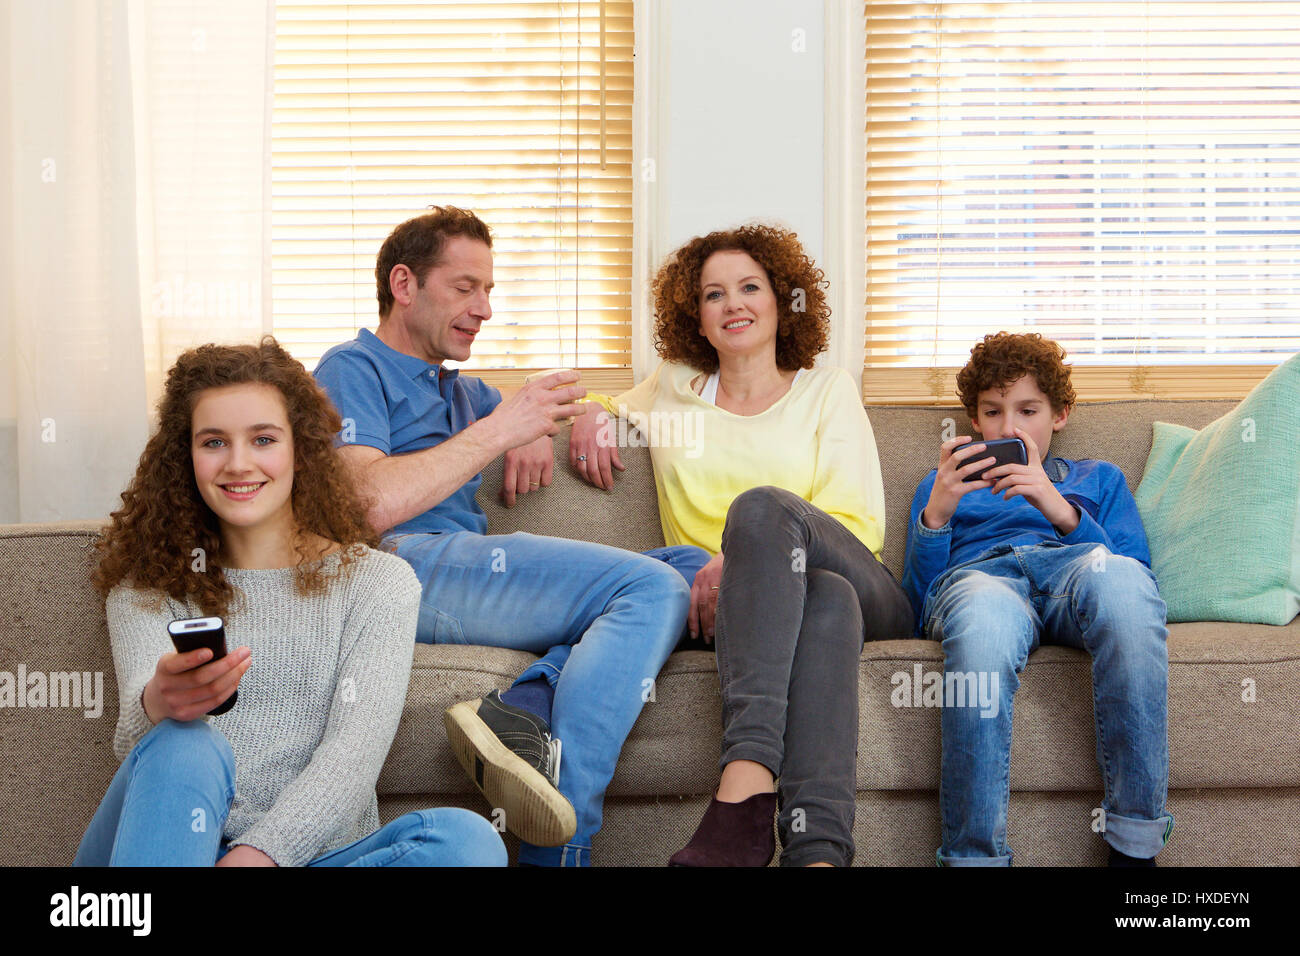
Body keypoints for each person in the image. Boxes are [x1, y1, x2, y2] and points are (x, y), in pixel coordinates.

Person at [313, 206, 695, 867]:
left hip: (456, 569)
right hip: (400, 569)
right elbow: (364, 504)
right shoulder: (352, 369)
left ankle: (526, 700)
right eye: (465, 288)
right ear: (404, 285)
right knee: (651, 585)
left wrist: (591, 417)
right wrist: (502, 430)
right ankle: (562, 852)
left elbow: (556, 404)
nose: (484, 308)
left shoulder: (459, 391)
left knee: (688, 565)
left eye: (489, 291)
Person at [77, 337, 505, 867]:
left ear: (300, 450)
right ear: (183, 457)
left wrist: (260, 856)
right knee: (185, 745)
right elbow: (135, 750)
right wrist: (159, 703)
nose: (238, 463)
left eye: (262, 439)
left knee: (467, 841)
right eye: (213, 442)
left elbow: (351, 762)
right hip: (168, 851)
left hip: (298, 859)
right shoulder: (149, 586)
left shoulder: (379, 584)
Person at [570, 224, 914, 867]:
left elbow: (859, 526)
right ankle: (817, 856)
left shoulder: (826, 388)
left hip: (869, 585)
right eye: (713, 295)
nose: (734, 304)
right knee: (825, 600)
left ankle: (744, 791)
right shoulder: (672, 388)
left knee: (765, 513)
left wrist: (746, 553)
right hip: (747, 609)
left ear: (782, 303)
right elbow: (601, 401)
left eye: (750, 287)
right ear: (694, 319)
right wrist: (591, 413)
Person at [901, 332, 1174, 866]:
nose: (1010, 428)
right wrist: (935, 514)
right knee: (982, 625)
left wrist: (1055, 504)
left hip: (1076, 568)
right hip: (983, 579)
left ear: (1060, 415)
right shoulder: (944, 484)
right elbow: (918, 605)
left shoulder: (1099, 478)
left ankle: (1135, 848)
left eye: (1028, 410)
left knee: (1120, 588)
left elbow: (1136, 574)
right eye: (992, 412)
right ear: (974, 422)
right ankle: (974, 857)